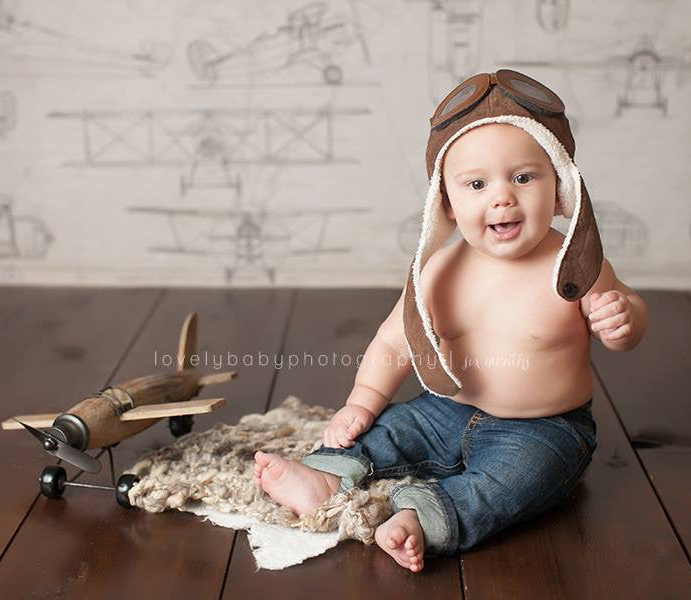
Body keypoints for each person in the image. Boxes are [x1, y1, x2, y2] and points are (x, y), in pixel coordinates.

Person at [253, 70, 648, 572]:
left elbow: (630, 311)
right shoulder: (439, 269)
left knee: (518, 479)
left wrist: (623, 318)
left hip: (545, 428)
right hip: (446, 410)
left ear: (560, 185)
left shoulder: (574, 263)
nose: (502, 197)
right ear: (446, 201)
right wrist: (362, 402)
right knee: (390, 429)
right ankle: (327, 478)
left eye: (523, 177)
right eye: (477, 184)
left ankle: (426, 515)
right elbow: (394, 342)